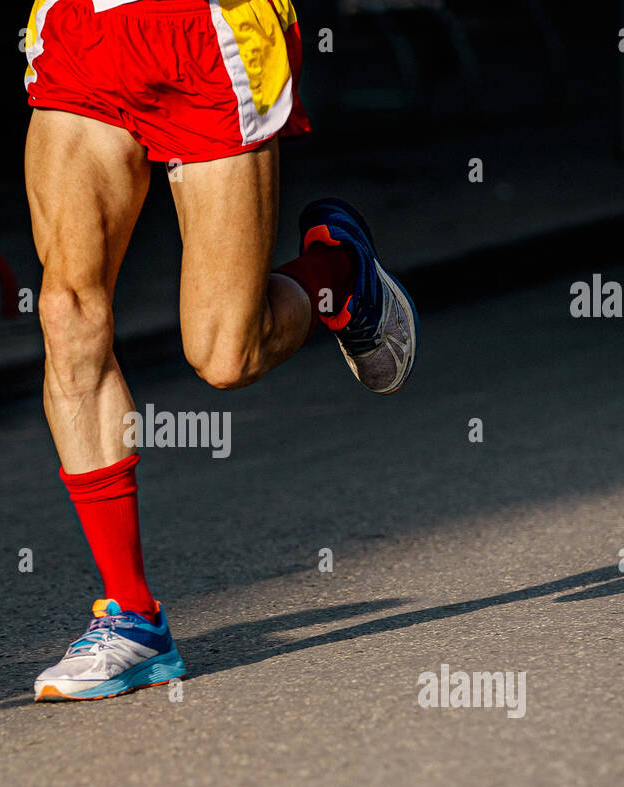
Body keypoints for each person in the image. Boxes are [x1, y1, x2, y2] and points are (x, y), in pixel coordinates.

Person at [23, 0, 418, 700]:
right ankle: (133, 619)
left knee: (225, 355)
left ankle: (337, 273)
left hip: (208, 35)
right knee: (66, 309)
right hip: (88, 29)